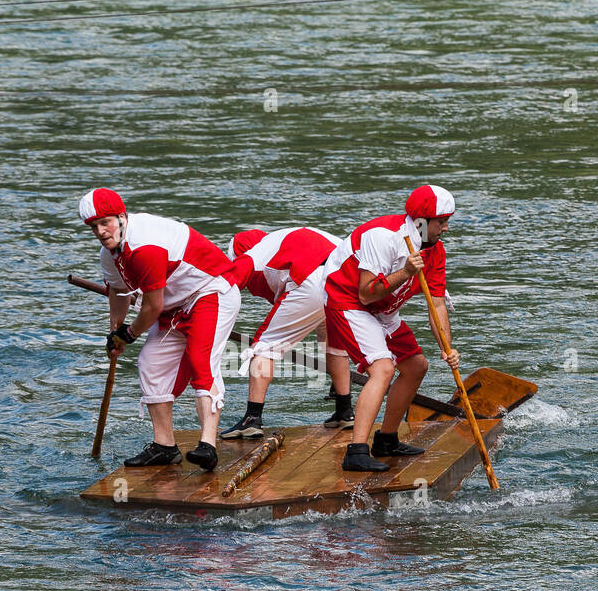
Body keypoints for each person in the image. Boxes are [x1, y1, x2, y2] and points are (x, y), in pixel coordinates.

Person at [80, 187, 240, 471]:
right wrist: (114, 333)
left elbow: (152, 306)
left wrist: (128, 335)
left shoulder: (145, 246)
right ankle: (165, 446)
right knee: (149, 362)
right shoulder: (109, 256)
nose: (101, 232)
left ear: (121, 216)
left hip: (210, 291)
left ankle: (208, 446)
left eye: (105, 223)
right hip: (173, 305)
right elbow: (118, 294)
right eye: (94, 227)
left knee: (201, 361)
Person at [324, 184, 461, 472]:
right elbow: (365, 293)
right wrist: (407, 271)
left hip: (382, 309)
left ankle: (386, 439)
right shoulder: (382, 236)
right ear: (422, 222)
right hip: (348, 301)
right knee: (383, 368)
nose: (446, 228)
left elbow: (436, 305)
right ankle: (356, 452)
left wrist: (447, 349)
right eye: (442, 221)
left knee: (416, 366)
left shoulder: (435, 251)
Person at [220, 226, 353, 438]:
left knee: (265, 347)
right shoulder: (279, 240)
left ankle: (252, 419)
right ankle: (344, 410)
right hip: (346, 278)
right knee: (333, 343)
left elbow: (231, 285)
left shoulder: (253, 259)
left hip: (312, 278)